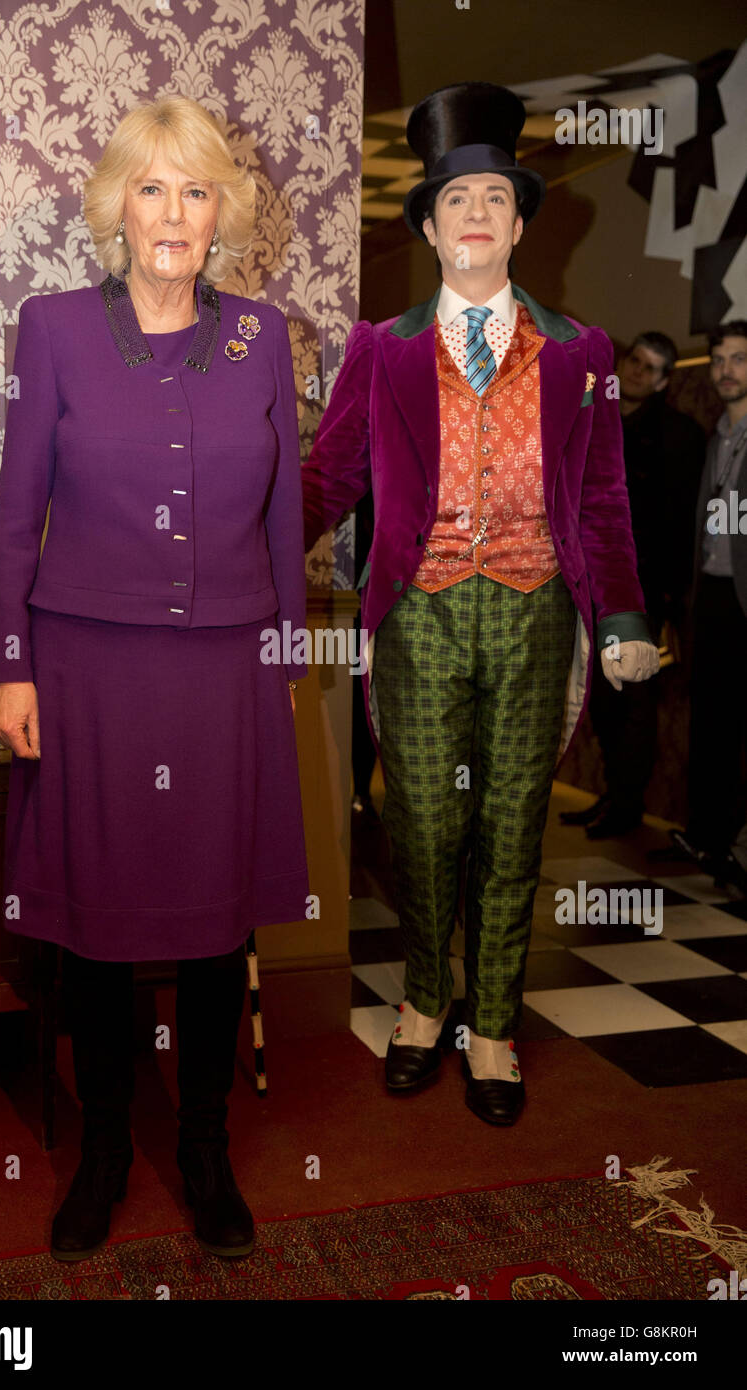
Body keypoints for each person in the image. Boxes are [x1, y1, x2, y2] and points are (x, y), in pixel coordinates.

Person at [0, 96, 308, 1262]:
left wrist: (282, 661)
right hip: (87, 670)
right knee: (97, 930)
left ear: (222, 212)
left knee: (218, 927)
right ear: (117, 206)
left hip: (224, 666)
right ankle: (109, 1148)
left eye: (196, 189)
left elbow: (283, 517)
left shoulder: (259, 335)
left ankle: (206, 1148)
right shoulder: (58, 327)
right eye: (152, 187)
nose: (174, 212)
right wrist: (7, 665)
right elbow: (18, 513)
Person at [301, 82, 659, 1128]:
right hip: (415, 615)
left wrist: (626, 617)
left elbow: (601, 499)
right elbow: (329, 482)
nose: (473, 214)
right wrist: (251, 566)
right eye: (455, 199)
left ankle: (490, 1024)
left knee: (508, 828)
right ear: (424, 225)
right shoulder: (381, 348)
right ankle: (423, 1002)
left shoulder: (580, 355)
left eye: (494, 199)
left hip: (534, 610)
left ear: (514, 224)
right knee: (419, 823)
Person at [560, 332, 705, 838]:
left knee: (634, 698)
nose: (639, 373)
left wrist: (664, 598)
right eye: (635, 363)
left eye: (652, 368)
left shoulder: (677, 434)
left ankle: (625, 804)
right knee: (600, 693)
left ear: (666, 380)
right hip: (588, 581)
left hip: (642, 589)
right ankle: (611, 794)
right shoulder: (594, 417)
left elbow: (679, 523)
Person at [667, 321, 747, 876]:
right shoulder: (716, 435)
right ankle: (710, 837)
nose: (725, 370)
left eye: (739, 359)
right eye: (719, 360)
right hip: (714, 596)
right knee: (712, 722)